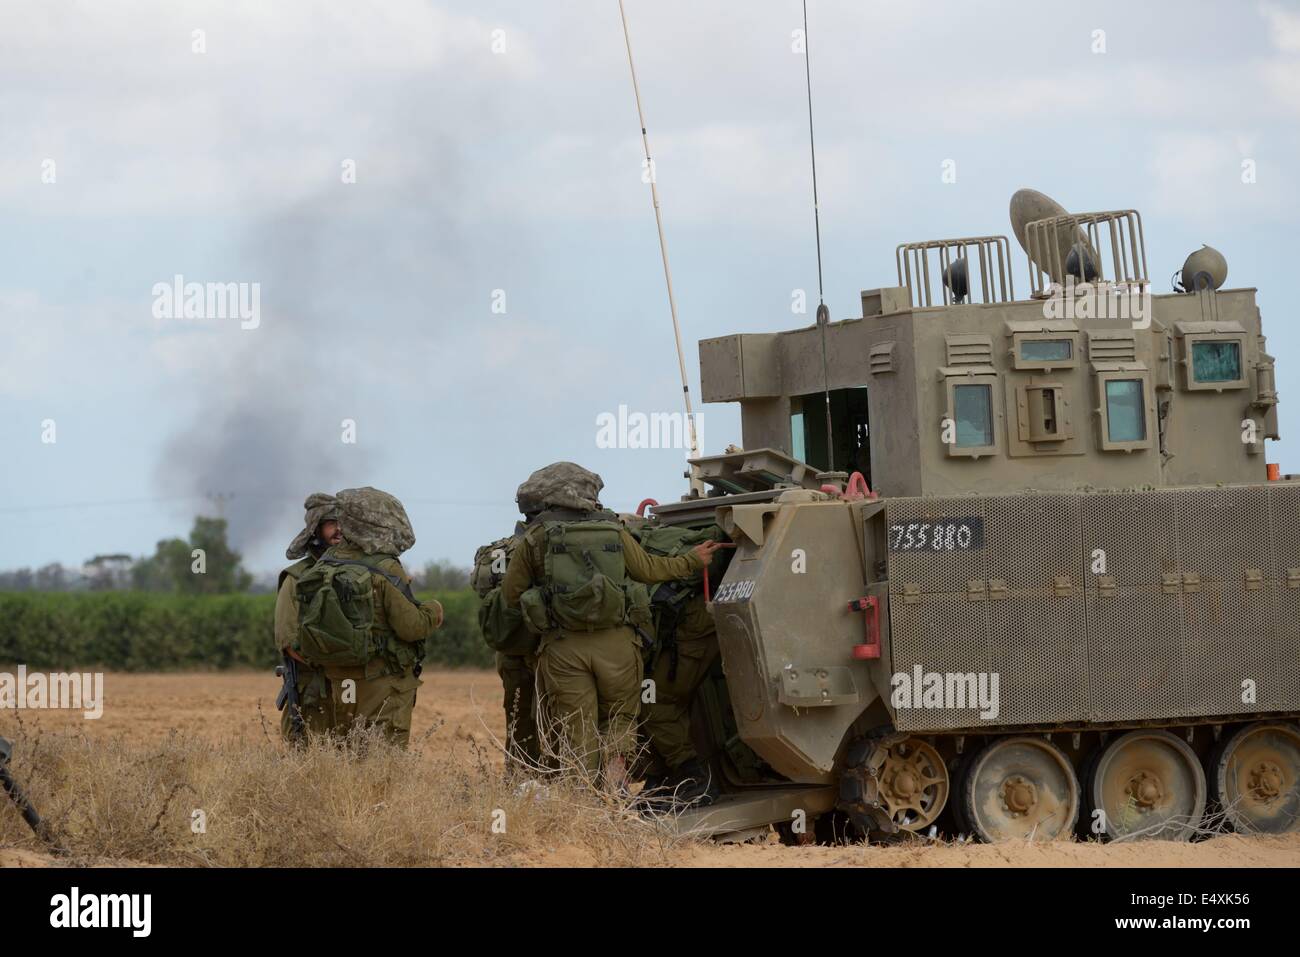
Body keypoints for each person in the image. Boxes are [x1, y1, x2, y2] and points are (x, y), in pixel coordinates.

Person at [501, 463, 721, 789]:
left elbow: (510, 595)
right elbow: (650, 570)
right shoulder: (614, 531)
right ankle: (615, 785)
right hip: (618, 647)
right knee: (620, 719)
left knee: (579, 728)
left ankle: (587, 809)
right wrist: (693, 560)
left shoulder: (537, 537)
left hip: (564, 649)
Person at [471, 498, 544, 771]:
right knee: (555, 719)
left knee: (519, 719)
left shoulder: (497, 551)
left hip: (511, 649)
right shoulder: (554, 546)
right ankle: (556, 784)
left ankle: (520, 781)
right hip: (549, 649)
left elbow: (480, 587)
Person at [274, 493, 343, 742]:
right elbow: (288, 640)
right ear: (316, 530)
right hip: (311, 693)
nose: (339, 530)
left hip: (349, 693)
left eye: (344, 523)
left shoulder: (358, 574)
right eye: (331, 523)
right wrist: (327, 662)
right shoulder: (296, 578)